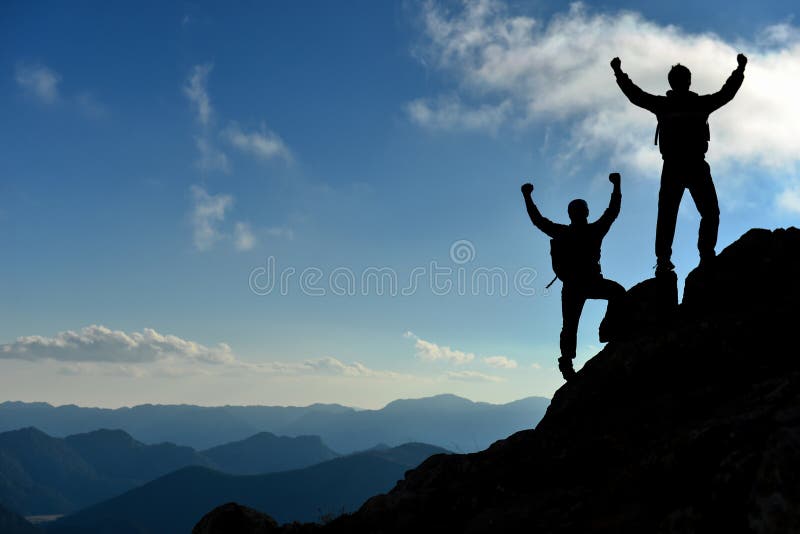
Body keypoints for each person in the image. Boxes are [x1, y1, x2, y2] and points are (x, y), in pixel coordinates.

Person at [610, 54, 747, 274]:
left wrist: (618, 73)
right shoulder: (691, 104)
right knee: (679, 213)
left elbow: (636, 95)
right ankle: (682, 257)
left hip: (683, 166)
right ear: (687, 81)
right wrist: (739, 70)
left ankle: (689, 257)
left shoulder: (671, 104)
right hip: (686, 166)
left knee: (678, 214)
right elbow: (726, 93)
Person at [521, 174, 625, 380]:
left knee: (570, 324)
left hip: (573, 286)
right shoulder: (593, 230)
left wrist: (527, 196)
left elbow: (538, 221)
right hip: (589, 283)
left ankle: (568, 360)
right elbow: (612, 212)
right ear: (585, 212)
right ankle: (605, 330)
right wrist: (617, 185)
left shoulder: (563, 232)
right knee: (616, 293)